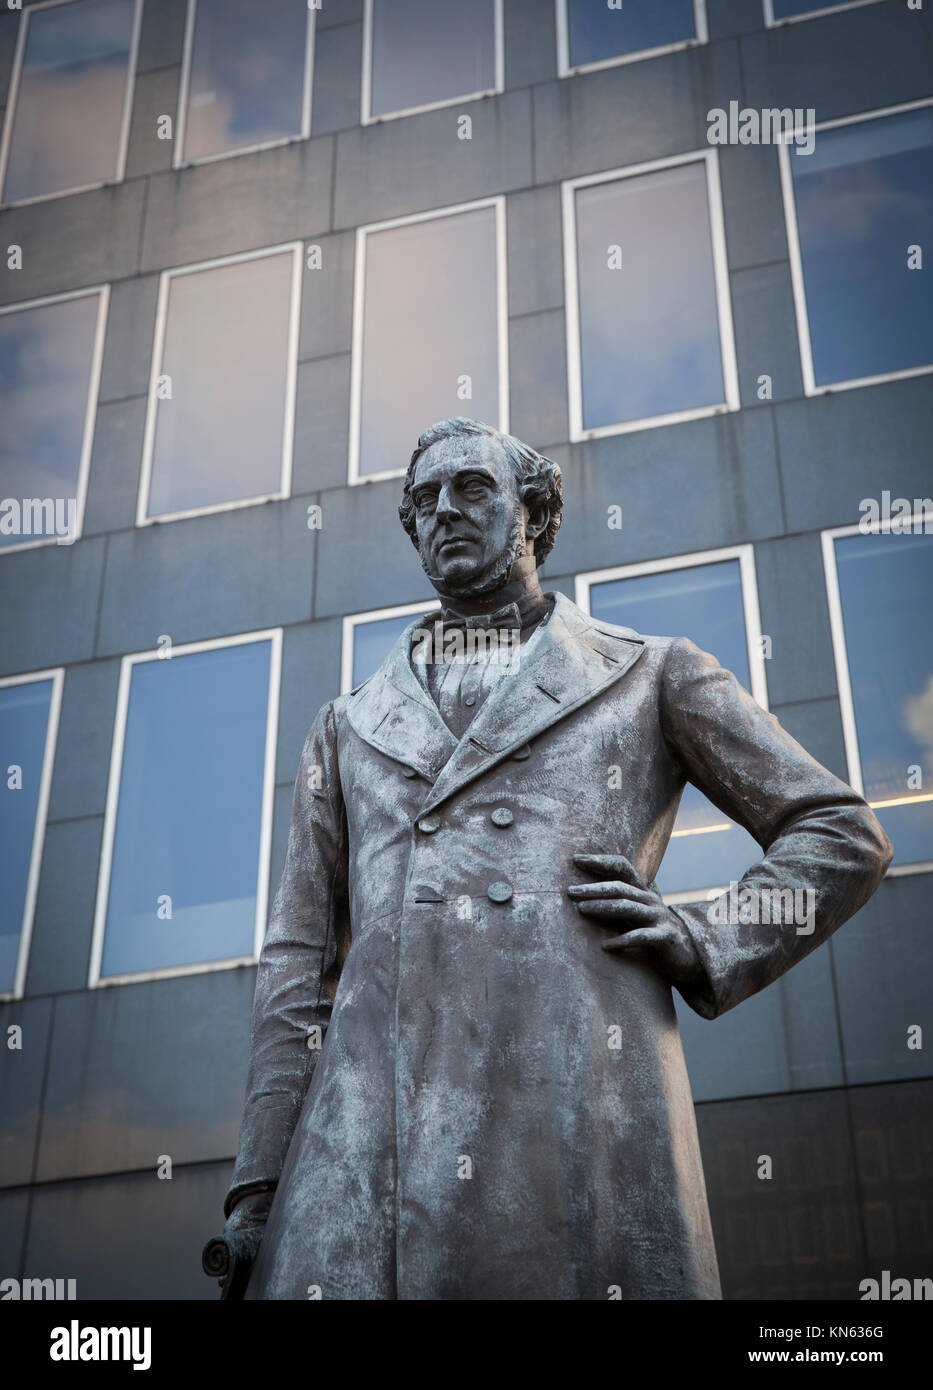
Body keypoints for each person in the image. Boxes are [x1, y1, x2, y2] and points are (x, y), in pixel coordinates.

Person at [217, 417, 891, 1300]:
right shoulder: (346, 725)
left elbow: (839, 834)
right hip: (358, 1147)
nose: (444, 512)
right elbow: (297, 966)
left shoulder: (650, 675)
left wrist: (703, 933)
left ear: (532, 513)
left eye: (472, 489)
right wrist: (260, 1184)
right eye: (423, 501)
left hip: (571, 1113)